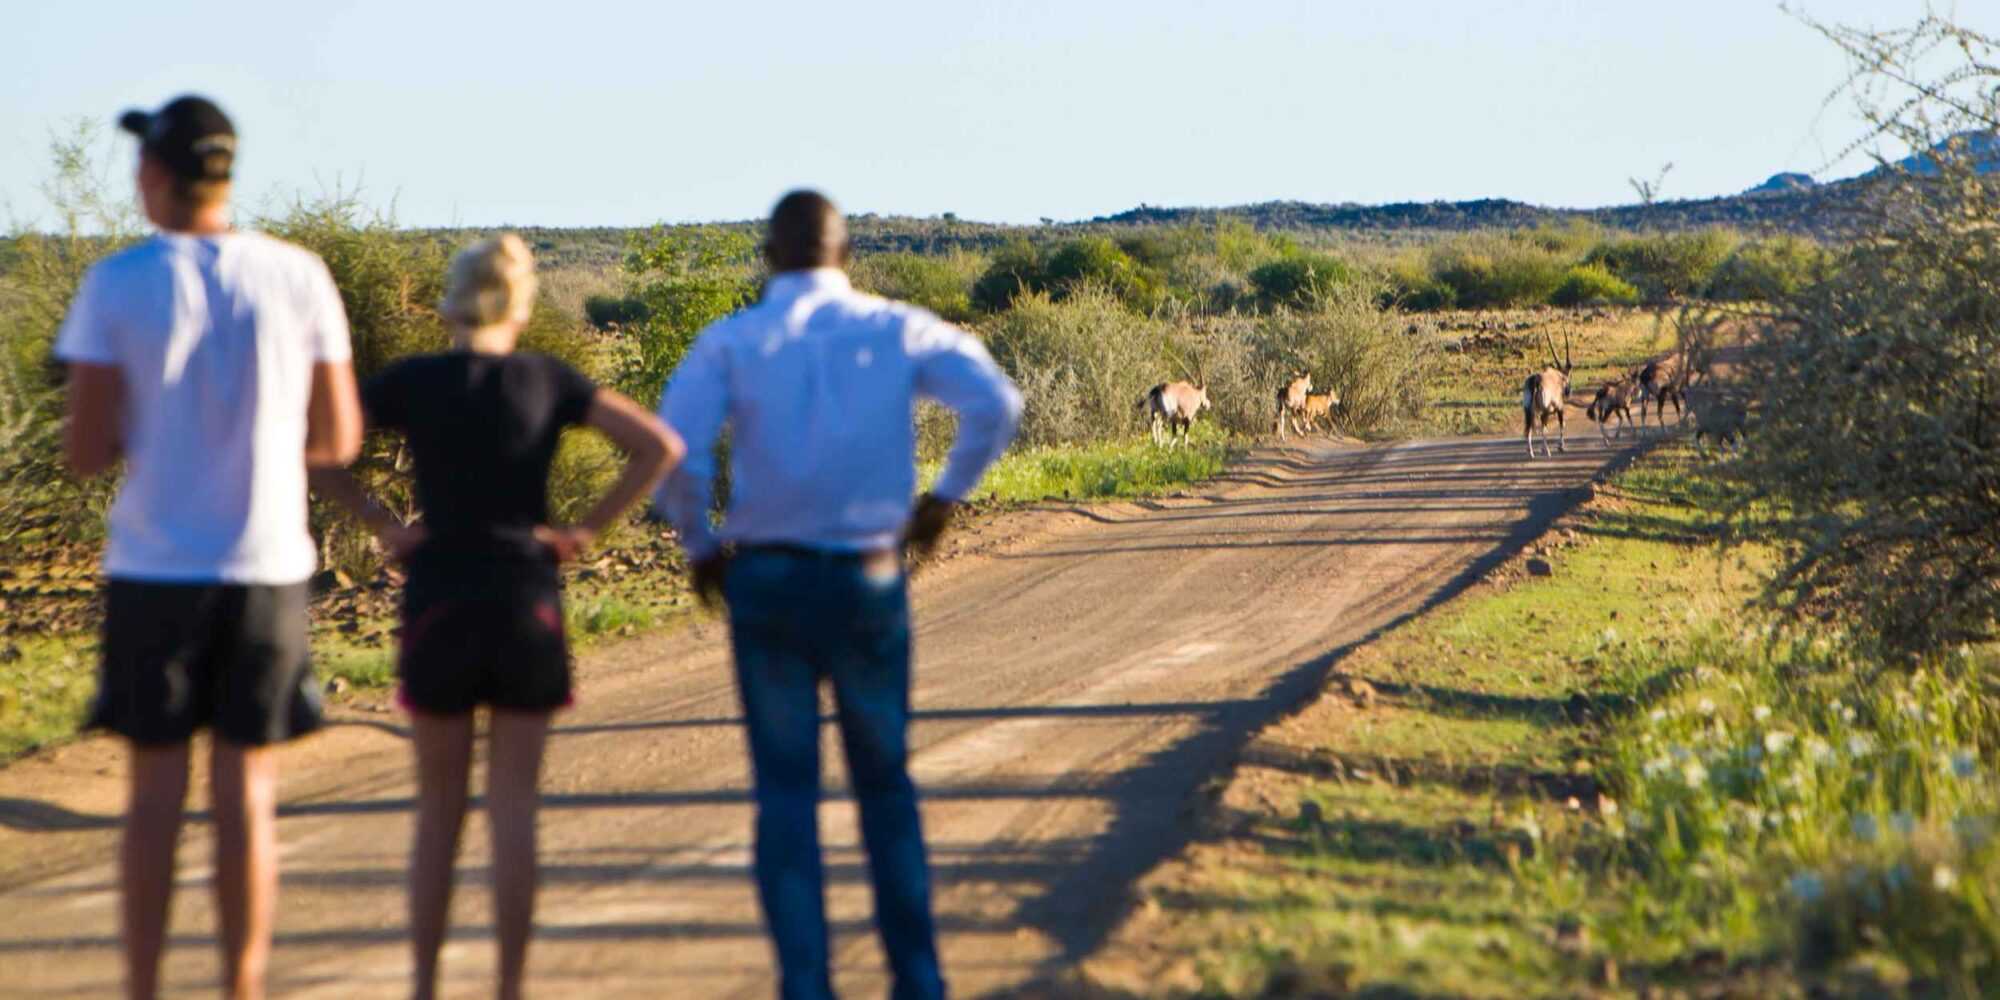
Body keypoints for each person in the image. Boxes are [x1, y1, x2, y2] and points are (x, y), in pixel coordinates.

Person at [657, 190, 1022, 1000]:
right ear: (846, 255)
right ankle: (918, 982)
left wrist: (700, 547)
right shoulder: (894, 327)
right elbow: (997, 401)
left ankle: (806, 985)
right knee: (885, 787)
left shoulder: (733, 340)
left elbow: (676, 452)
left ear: (768, 255)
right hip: (867, 579)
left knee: (785, 794)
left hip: (769, 580)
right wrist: (944, 499)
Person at [311, 233, 683, 1000]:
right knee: (514, 807)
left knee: (439, 812)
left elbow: (315, 448)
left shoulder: (413, 381)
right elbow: (658, 446)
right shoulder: (547, 380)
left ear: (450, 299)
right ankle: (509, 989)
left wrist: (383, 522)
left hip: (439, 593)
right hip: (524, 595)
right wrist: (585, 532)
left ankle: (424, 986)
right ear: (522, 301)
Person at [56, 95, 364, 1000]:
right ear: (226, 175)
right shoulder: (299, 275)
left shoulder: (117, 283)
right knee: (246, 795)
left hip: (155, 569)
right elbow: (339, 435)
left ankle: (144, 986)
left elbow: (82, 452)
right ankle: (243, 984)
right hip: (265, 563)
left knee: (153, 797)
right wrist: (264, 436)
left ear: (153, 175)